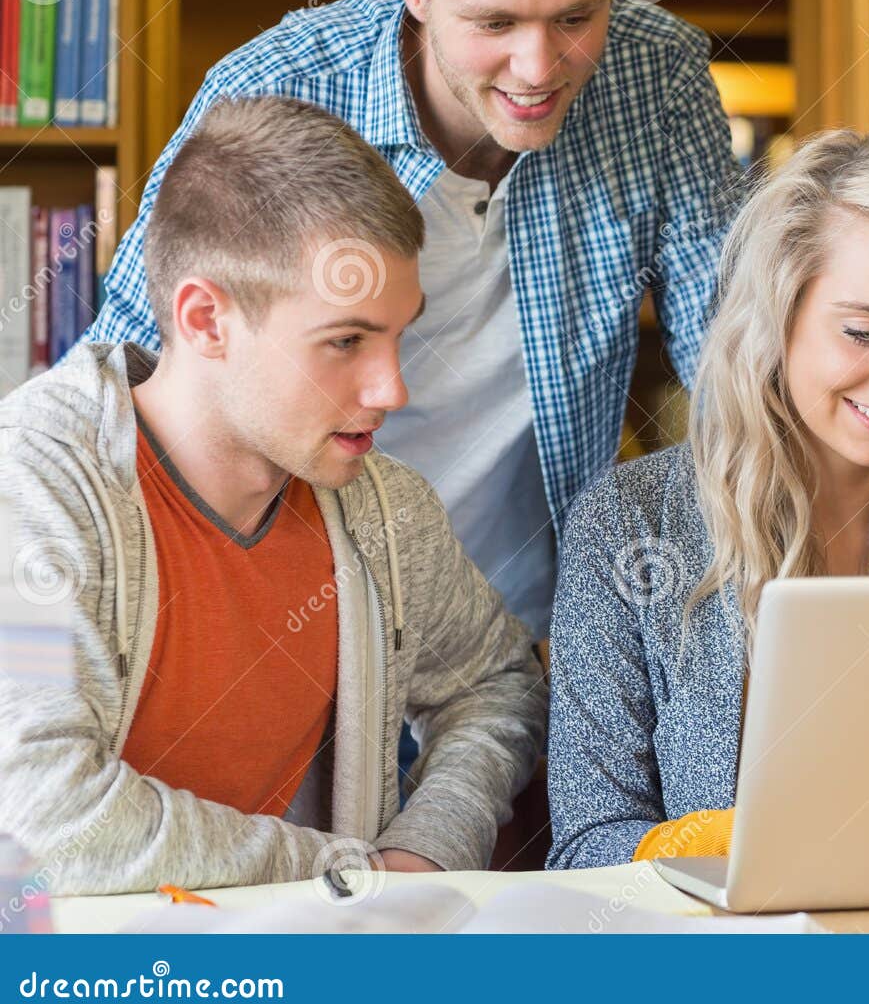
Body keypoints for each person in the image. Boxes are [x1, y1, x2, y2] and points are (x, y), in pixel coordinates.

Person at [84, 0, 743, 646]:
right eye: (494, 24)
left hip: (523, 638)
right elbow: (124, 377)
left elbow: (735, 370)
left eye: (576, 15)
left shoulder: (655, 79)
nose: (537, 68)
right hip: (291, 620)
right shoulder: (278, 87)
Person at [0, 97, 545, 895]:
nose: (392, 387)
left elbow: (498, 685)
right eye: (346, 341)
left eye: (399, 335)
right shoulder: (32, 483)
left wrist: (427, 849)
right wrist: (347, 872)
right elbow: (45, 817)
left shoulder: (384, 510)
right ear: (205, 319)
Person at [545, 131, 869, 869]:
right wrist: (747, 845)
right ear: (777, 318)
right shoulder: (630, 522)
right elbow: (586, 847)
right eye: (864, 332)